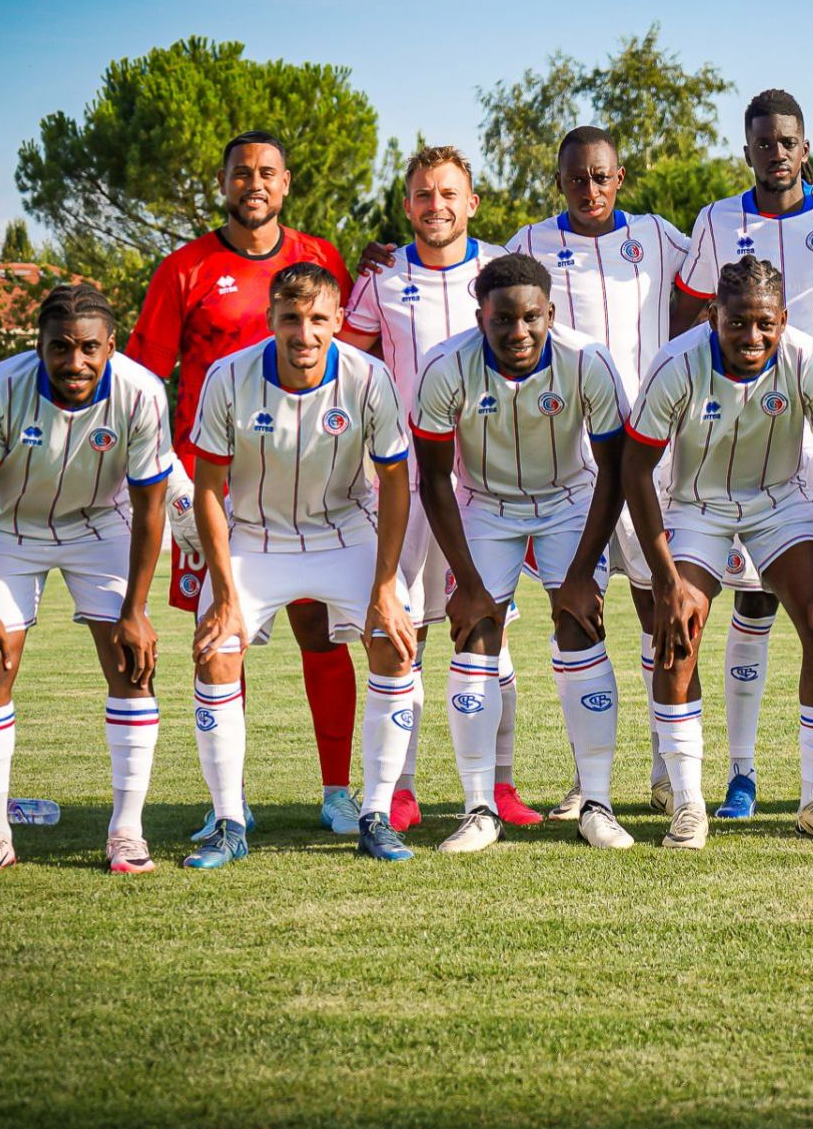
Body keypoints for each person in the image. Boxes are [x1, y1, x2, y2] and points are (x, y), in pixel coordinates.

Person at [127, 130, 364, 838]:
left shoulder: (321, 258)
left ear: (286, 183)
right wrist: (163, 475)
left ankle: (337, 792)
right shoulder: (185, 268)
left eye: (266, 173)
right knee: (222, 635)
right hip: (216, 484)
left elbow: (352, 349)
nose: (253, 184)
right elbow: (144, 375)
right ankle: (228, 801)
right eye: (240, 173)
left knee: (322, 635)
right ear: (223, 183)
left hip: (313, 477)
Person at [668, 89, 813, 820]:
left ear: (805, 147)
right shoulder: (719, 220)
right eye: (764, 142)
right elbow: (688, 308)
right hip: (743, 437)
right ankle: (742, 774)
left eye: (788, 141)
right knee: (750, 607)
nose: (777, 152)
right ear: (747, 149)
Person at [185, 263, 419, 868]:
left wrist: (387, 586)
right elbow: (209, 486)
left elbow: (396, 484)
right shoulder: (228, 378)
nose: (304, 332)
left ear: (339, 320)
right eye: (291, 318)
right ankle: (228, 819)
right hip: (255, 537)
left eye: (318, 318)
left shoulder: (370, 377)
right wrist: (223, 594)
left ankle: (374, 812)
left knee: (394, 643)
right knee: (215, 650)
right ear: (270, 321)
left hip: (342, 532)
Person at [623, 256, 813, 849]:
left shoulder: (812, 361)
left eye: (764, 324)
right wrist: (667, 582)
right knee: (677, 634)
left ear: (782, 319)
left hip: (780, 500)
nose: (751, 338)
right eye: (737, 324)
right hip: (695, 505)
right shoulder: (675, 364)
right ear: (712, 315)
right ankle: (688, 804)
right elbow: (634, 468)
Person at [338, 145, 541, 831]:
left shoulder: (500, 269)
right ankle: (398, 787)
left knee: (489, 634)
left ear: (471, 202)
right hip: (405, 482)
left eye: (448, 194)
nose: (436, 206)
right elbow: (348, 364)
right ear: (407, 205)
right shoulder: (381, 277)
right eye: (423, 195)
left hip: (481, 482)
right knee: (402, 637)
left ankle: (501, 786)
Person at [411, 253, 634, 852]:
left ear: (550, 313)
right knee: (477, 631)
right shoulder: (443, 367)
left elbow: (614, 471)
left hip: (570, 496)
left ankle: (597, 802)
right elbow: (435, 481)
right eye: (503, 319)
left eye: (532, 318)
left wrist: (582, 573)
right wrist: (466, 582)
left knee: (579, 627)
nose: (518, 332)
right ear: (480, 316)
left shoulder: (587, 360)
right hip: (484, 503)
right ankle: (479, 807)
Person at [501, 127, 692, 820]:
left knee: (655, 606)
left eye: (602, 177)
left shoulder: (662, 236)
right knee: (575, 611)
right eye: (577, 178)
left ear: (621, 178)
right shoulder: (525, 243)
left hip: (648, 457)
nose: (590, 190)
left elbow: (731, 264)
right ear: (559, 181)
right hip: (565, 463)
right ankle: (590, 778)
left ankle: (668, 764)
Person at [0, 284, 174, 876]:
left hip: (103, 522)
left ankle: (126, 832)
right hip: (12, 527)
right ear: (40, 346)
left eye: (88, 348)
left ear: (110, 346)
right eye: (60, 348)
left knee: (132, 663)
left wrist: (137, 608)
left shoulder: (143, 392)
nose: (74, 362)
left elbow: (151, 507)